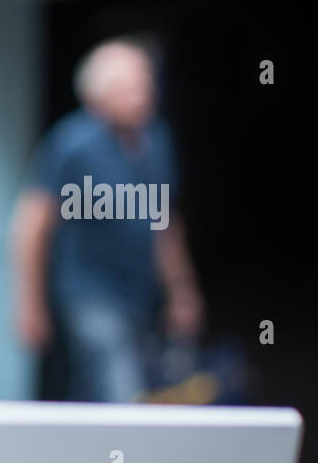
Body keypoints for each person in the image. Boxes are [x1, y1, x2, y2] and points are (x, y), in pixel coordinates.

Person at [11, 39, 203, 402]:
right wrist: (30, 303)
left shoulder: (156, 142)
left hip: (139, 298)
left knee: (95, 393)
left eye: (144, 85)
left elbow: (164, 224)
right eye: (127, 87)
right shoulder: (73, 144)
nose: (140, 96)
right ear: (96, 95)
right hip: (89, 297)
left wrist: (181, 290)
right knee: (121, 391)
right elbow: (33, 224)